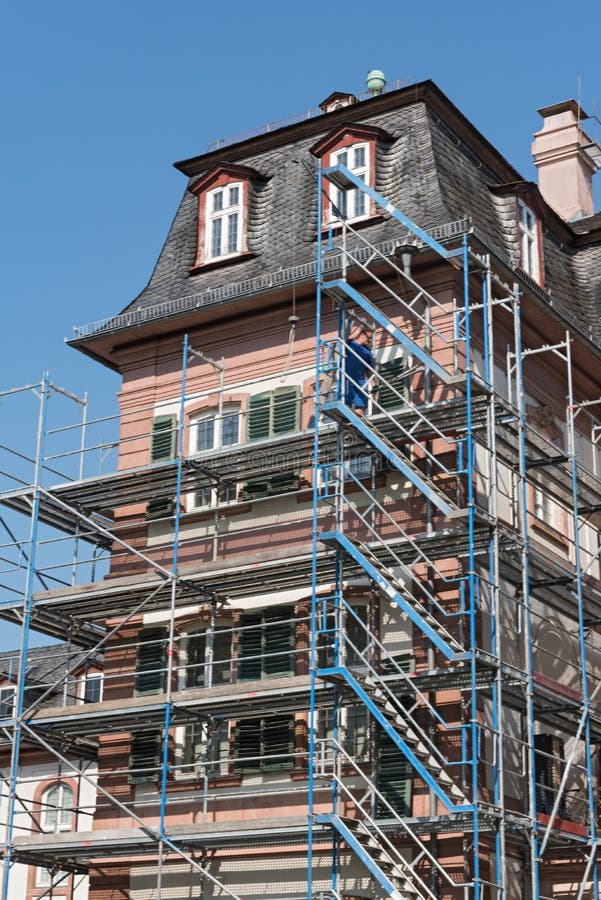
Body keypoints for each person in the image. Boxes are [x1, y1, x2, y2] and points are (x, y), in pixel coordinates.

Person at [344, 324, 375, 415]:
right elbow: (336, 350)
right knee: (346, 396)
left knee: (361, 399)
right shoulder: (348, 343)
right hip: (347, 375)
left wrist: (373, 384)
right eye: (369, 337)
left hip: (360, 378)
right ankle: (347, 410)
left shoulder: (367, 351)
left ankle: (360, 413)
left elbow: (369, 369)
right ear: (362, 334)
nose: (370, 340)